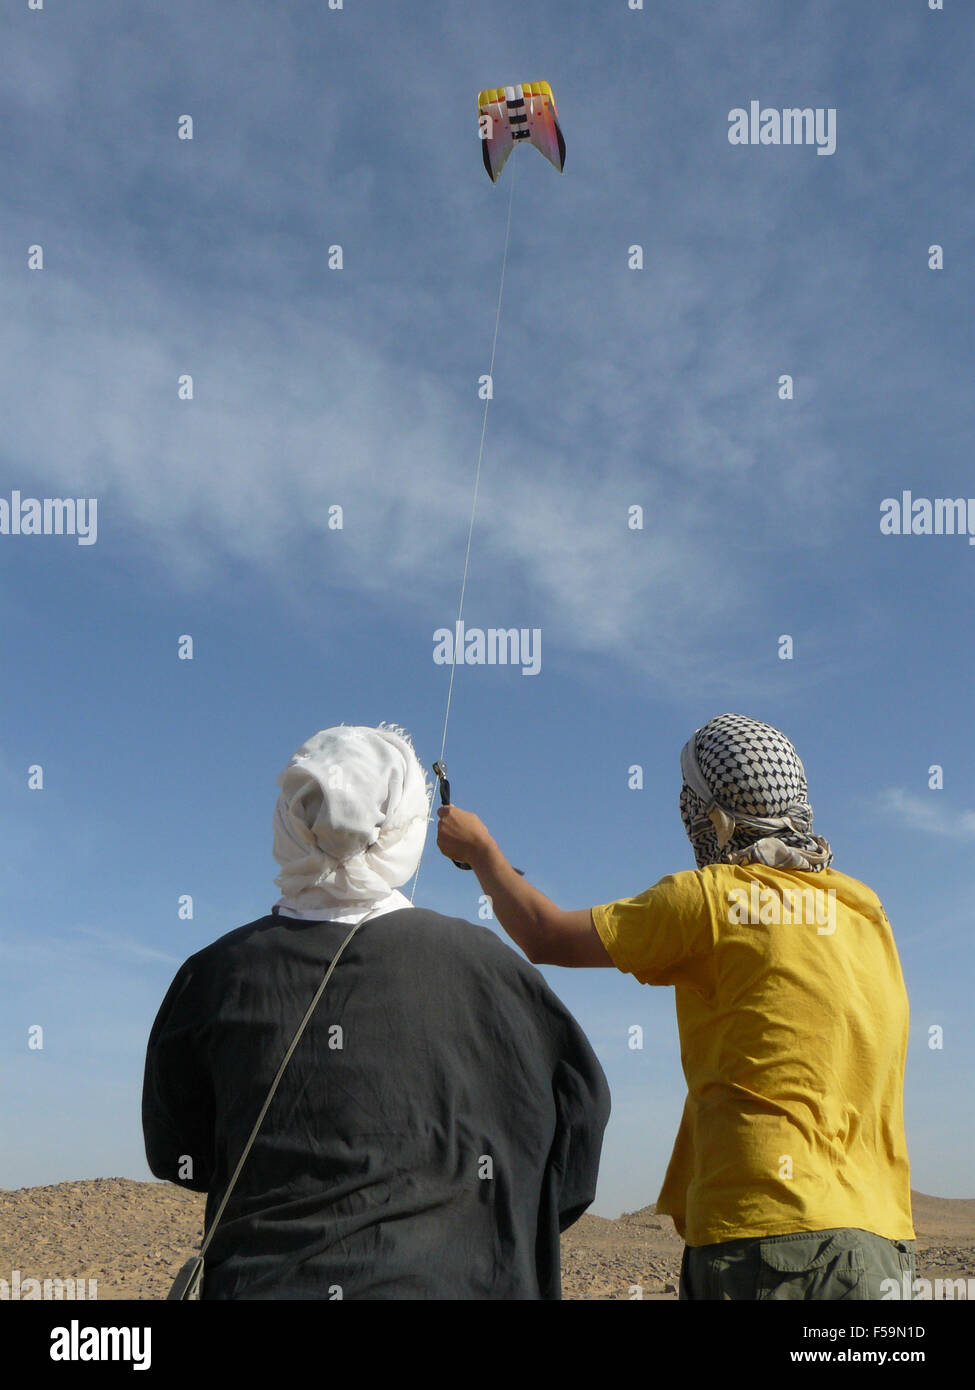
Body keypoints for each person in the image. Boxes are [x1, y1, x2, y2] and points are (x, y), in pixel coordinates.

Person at [436, 712, 916, 1301]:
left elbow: (545, 935)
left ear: (711, 815)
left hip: (769, 1243)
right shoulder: (864, 908)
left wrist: (480, 850)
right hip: (882, 1248)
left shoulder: (712, 901)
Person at [142, 722, 610, 1300]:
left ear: (289, 820)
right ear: (407, 826)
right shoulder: (496, 970)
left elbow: (177, 1154)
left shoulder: (210, 974)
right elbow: (575, 1146)